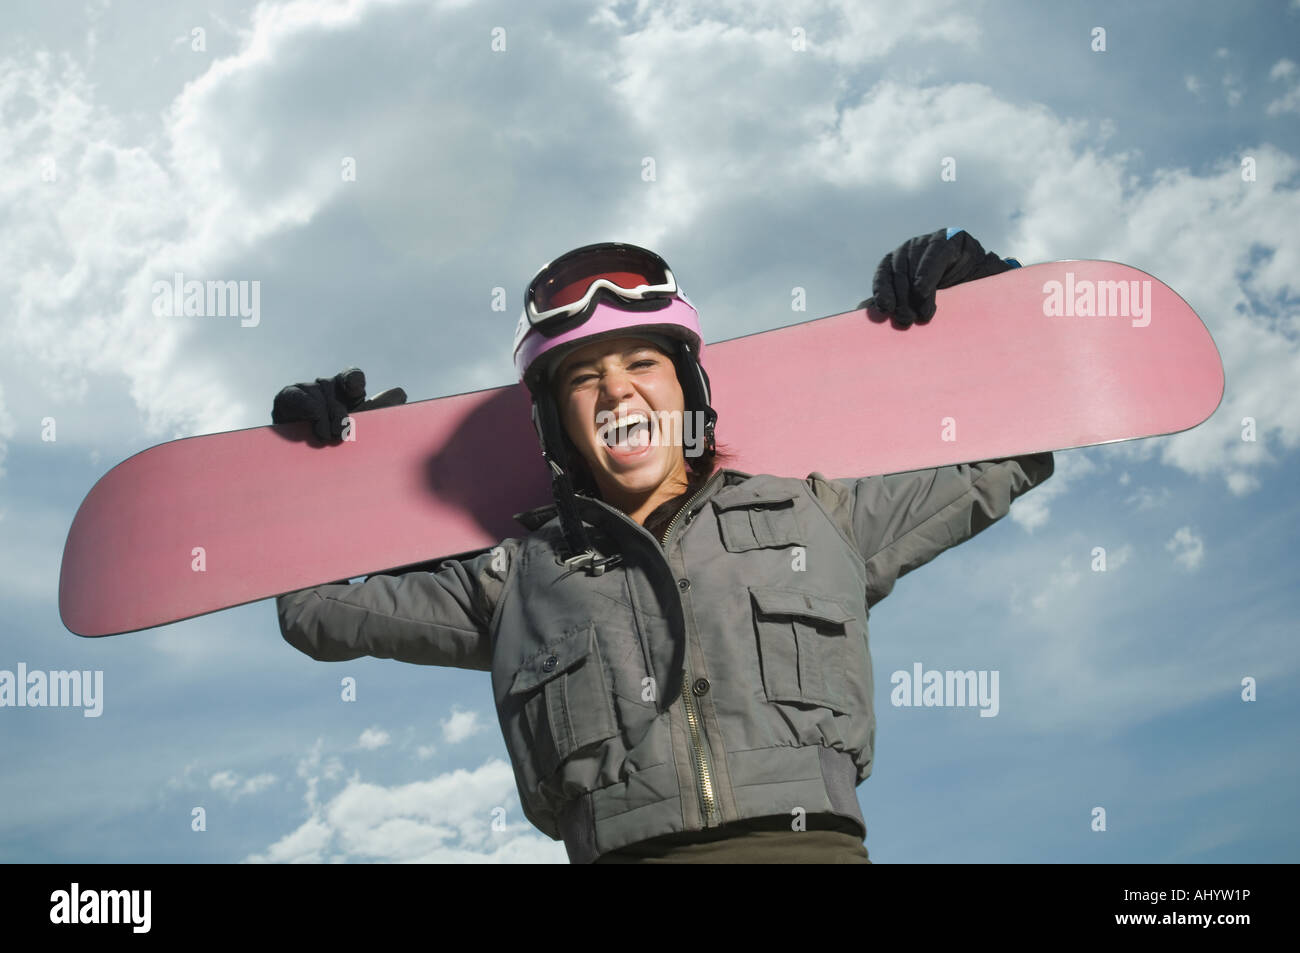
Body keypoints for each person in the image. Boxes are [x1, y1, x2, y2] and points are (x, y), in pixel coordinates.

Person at [273, 229, 1054, 863]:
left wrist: (990, 305)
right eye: (583, 378)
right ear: (557, 425)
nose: (616, 391)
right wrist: (341, 484)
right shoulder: (516, 578)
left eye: (642, 362)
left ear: (688, 388)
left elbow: (1014, 449)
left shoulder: (818, 516)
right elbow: (315, 610)